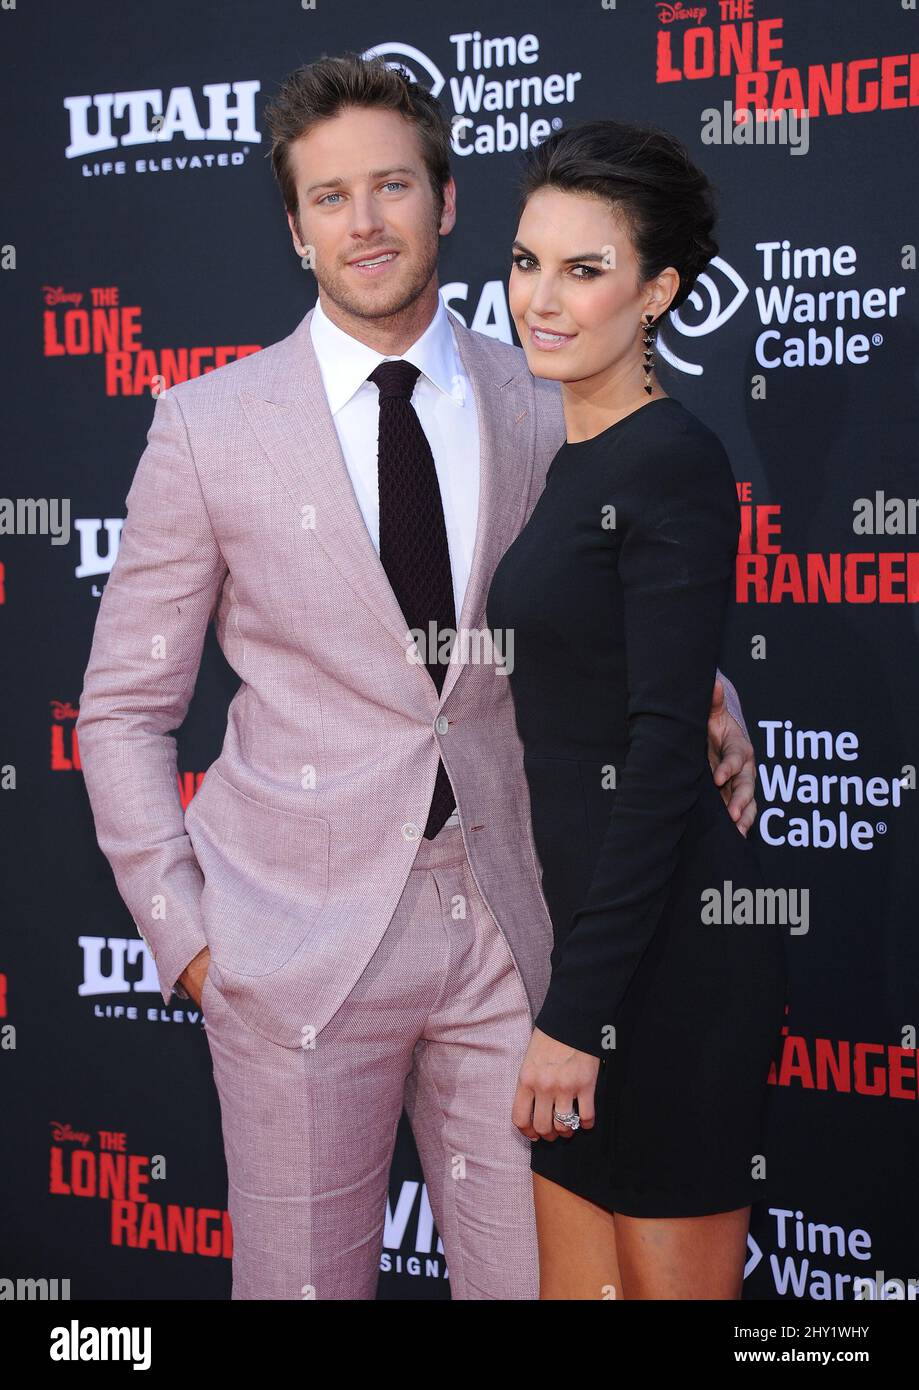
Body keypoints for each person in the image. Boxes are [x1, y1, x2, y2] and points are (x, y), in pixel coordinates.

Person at [75, 55, 758, 1301]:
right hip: (289, 940)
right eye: (329, 197)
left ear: (446, 201)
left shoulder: (547, 395)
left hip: (517, 930)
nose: (365, 221)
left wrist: (714, 699)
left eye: (391, 185)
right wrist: (186, 943)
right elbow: (121, 706)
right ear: (294, 229)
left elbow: (613, 610)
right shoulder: (205, 426)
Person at [486, 120, 787, 1300]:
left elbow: (660, 749)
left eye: (584, 268)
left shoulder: (673, 458)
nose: (541, 300)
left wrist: (575, 1015)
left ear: (657, 290)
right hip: (584, 955)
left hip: (664, 968)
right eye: (525, 261)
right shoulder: (572, 456)